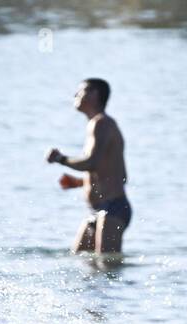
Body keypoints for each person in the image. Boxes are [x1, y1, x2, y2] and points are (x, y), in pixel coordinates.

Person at [45, 78, 130, 256]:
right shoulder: (99, 124)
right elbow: (120, 175)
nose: (75, 95)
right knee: (78, 259)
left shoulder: (101, 123)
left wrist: (61, 159)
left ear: (94, 94)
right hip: (97, 210)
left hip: (113, 208)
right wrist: (80, 183)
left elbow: (91, 162)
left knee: (106, 266)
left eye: (81, 91)